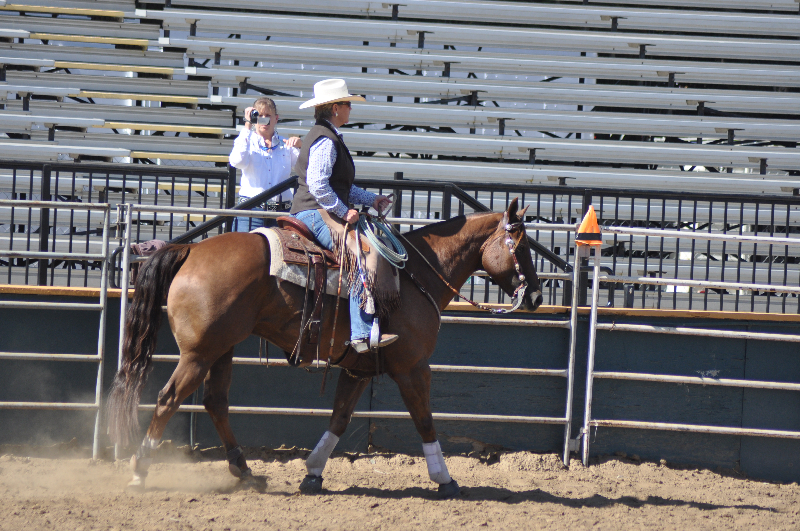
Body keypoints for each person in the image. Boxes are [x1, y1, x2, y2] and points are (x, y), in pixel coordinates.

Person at [290, 79, 398, 353]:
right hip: (316, 212)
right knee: (362, 252)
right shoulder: (326, 140)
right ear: (336, 108)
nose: (351, 108)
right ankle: (361, 333)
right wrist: (342, 210)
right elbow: (318, 185)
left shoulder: (327, 135)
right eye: (348, 104)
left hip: (315, 208)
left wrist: (371, 199)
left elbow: (343, 187)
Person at [229, 97, 302, 231]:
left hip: (281, 212)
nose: (264, 120)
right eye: (259, 116)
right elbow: (237, 161)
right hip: (251, 210)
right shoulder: (246, 141)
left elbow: (305, 169)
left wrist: (301, 147)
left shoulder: (286, 144)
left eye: (268, 116)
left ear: (276, 118)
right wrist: (247, 126)